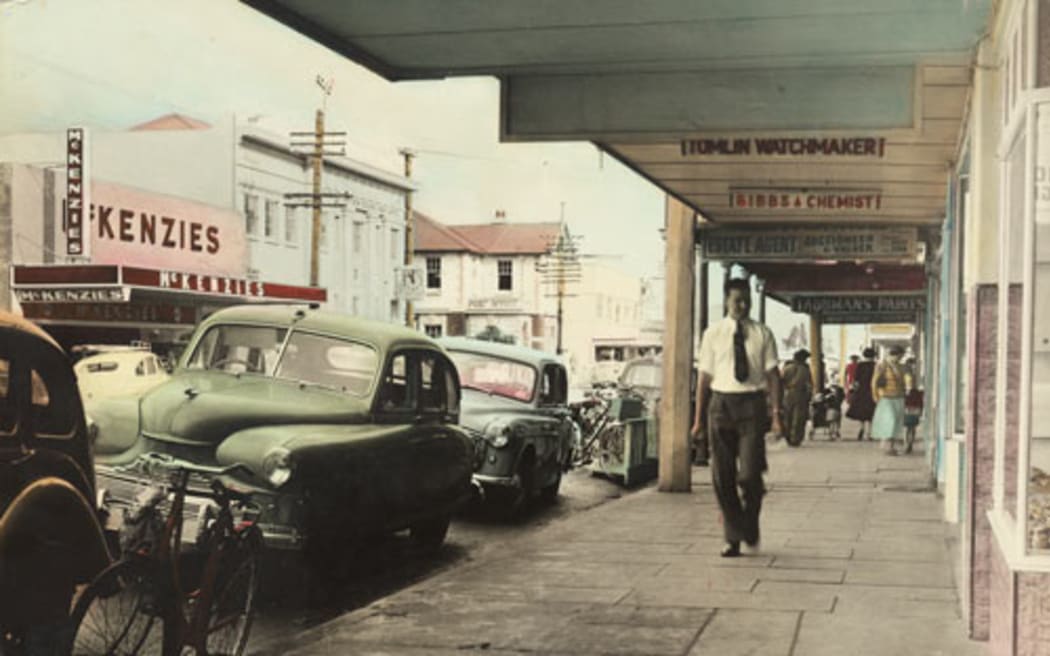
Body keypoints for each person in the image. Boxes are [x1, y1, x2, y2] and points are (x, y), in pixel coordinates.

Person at [691, 278, 783, 558]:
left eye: (746, 300)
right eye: (737, 301)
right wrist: (697, 421)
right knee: (722, 475)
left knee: (749, 473)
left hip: (752, 405)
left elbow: (773, 376)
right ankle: (733, 537)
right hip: (720, 405)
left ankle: (750, 520)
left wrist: (776, 414)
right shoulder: (713, 334)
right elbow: (704, 378)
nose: (742, 305)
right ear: (727, 301)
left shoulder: (762, 333)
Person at [871, 345, 912, 454]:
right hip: (886, 396)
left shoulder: (900, 366)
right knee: (890, 420)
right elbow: (874, 382)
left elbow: (906, 378)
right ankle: (886, 444)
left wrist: (908, 386)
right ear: (894, 355)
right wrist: (875, 396)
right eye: (899, 356)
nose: (899, 359)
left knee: (897, 422)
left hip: (898, 396)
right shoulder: (882, 366)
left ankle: (891, 446)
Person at [781, 349, 813, 445]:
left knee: (788, 416)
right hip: (800, 394)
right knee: (799, 417)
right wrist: (809, 396)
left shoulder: (787, 368)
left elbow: (781, 381)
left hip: (788, 394)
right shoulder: (805, 369)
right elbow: (809, 384)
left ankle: (788, 436)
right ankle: (796, 438)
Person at [846, 347, 877, 439]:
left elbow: (856, 380)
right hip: (872, 390)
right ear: (874, 356)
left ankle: (862, 428)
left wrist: (853, 389)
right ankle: (870, 432)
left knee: (861, 411)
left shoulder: (860, 365)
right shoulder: (875, 365)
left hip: (861, 391)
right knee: (872, 412)